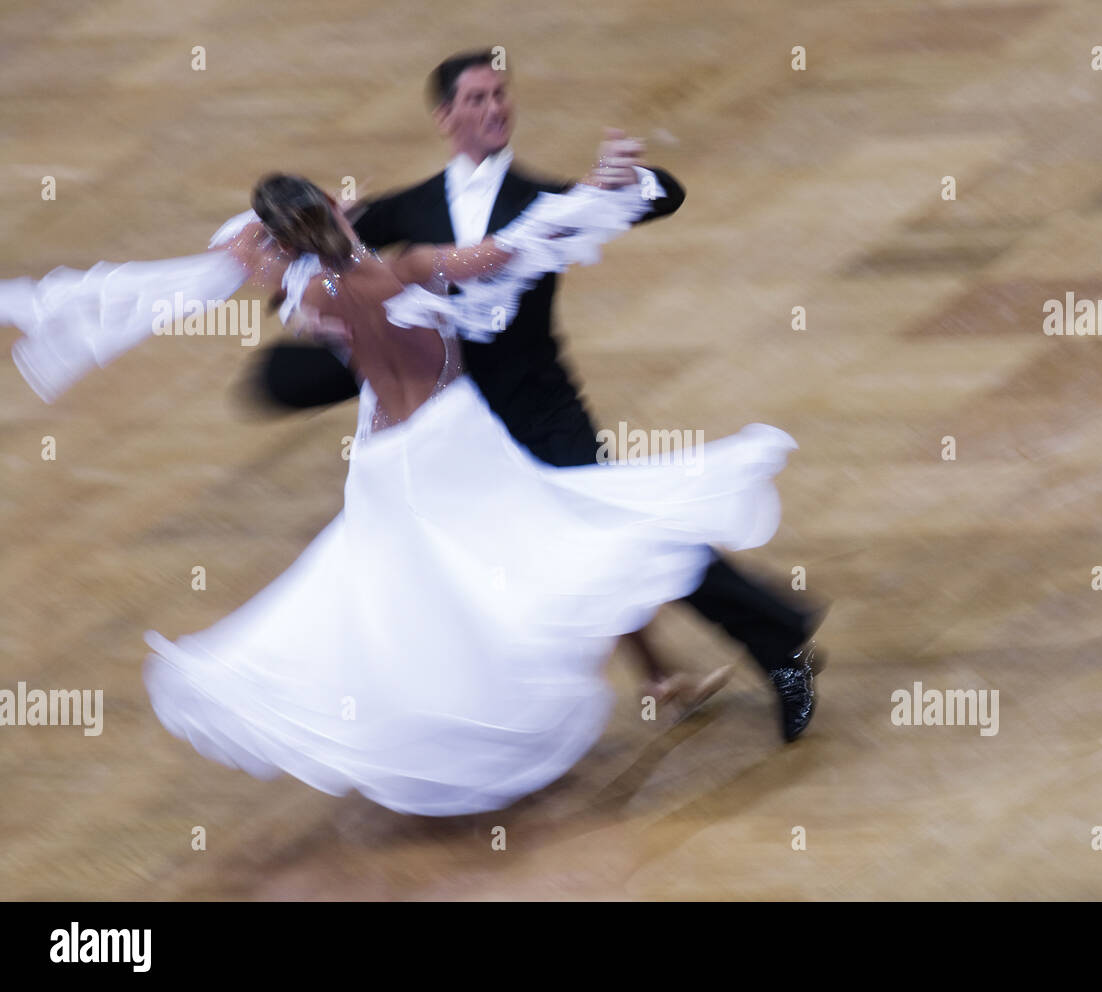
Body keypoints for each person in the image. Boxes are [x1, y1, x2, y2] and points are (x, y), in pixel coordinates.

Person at [2, 172, 798, 815]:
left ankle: (464, 714)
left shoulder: (308, 298)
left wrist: (281, 247)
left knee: (390, 595)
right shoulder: (406, 269)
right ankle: (632, 682)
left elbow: (264, 267)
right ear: (333, 216)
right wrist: (601, 195)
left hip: (386, 463)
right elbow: (498, 256)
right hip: (456, 444)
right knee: (554, 546)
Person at [253, 50, 827, 740]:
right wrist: (301, 276)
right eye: (476, 99)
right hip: (458, 429)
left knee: (628, 534)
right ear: (445, 117)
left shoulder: (543, 200)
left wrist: (627, 178)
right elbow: (310, 264)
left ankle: (777, 646)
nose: (494, 109)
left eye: (500, 95)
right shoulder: (406, 207)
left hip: (542, 412)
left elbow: (663, 196)